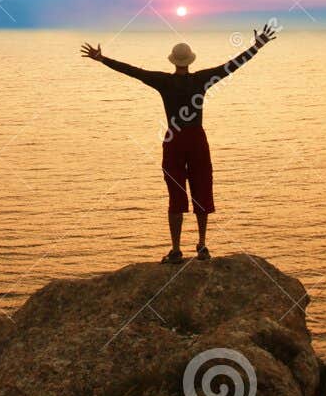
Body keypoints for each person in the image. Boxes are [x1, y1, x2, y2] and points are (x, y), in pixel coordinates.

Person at [80, 25, 277, 263]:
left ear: (174, 62)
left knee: (176, 194)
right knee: (202, 188)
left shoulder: (163, 81)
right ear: (190, 61)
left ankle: (175, 250)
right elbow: (231, 66)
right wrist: (257, 46)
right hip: (196, 138)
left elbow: (132, 71)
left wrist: (102, 59)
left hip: (174, 139)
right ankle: (202, 246)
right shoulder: (202, 79)